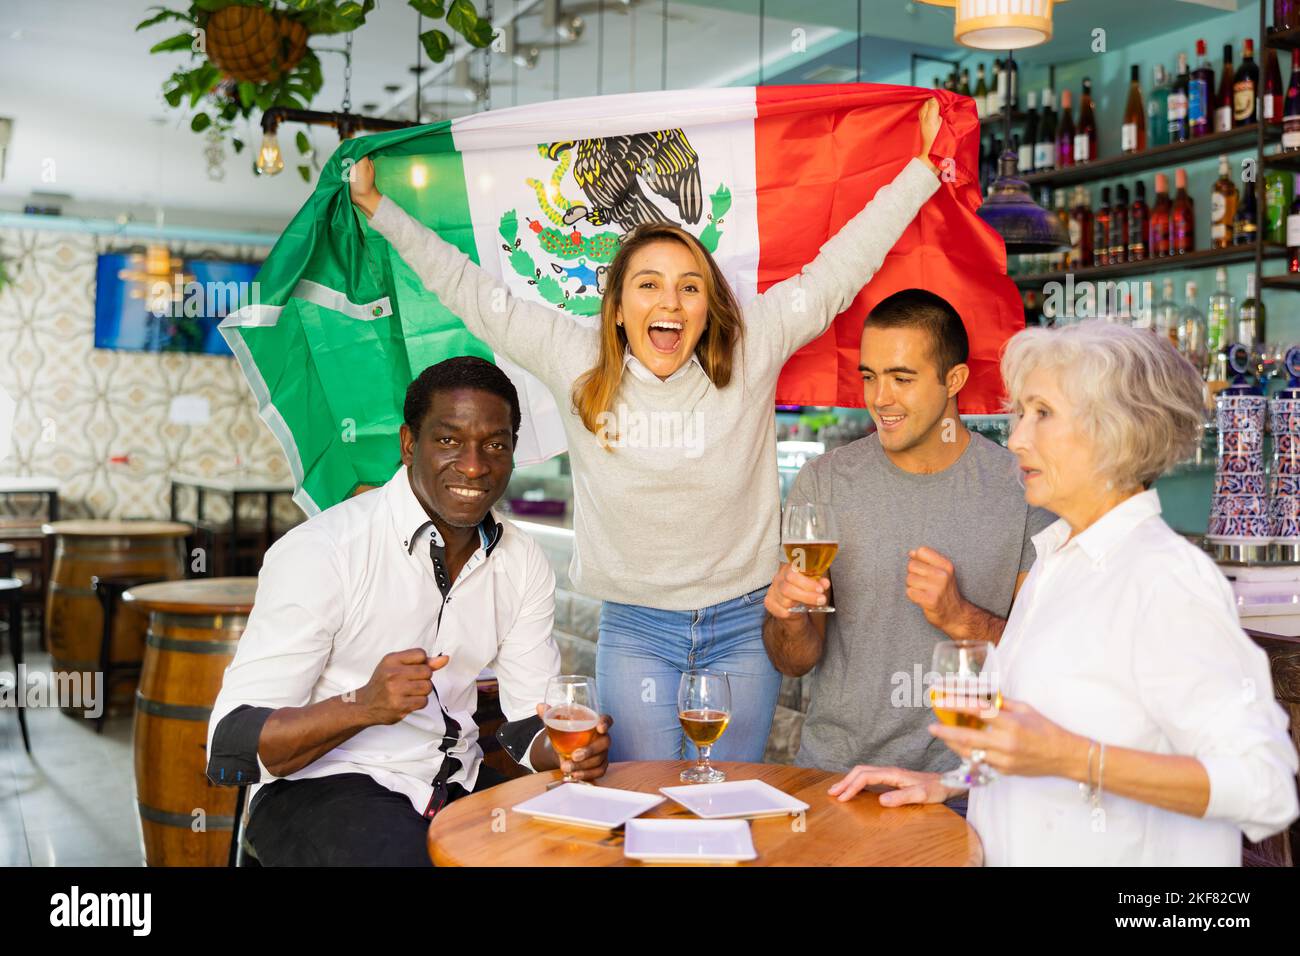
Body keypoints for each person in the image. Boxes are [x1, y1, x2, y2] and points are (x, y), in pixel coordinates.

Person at [347, 100, 945, 762]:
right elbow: (472, 292)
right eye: (649, 285)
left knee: (724, 799)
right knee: (641, 800)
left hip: (744, 623)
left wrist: (922, 170)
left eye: (690, 288)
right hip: (636, 629)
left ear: (708, 306)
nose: (670, 302)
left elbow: (838, 272)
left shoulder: (750, 349)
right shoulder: (574, 359)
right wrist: (378, 207)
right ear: (618, 307)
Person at [830, 321, 1300, 865]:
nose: (1016, 438)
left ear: (1116, 432)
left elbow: (1264, 786)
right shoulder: (1056, 560)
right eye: (1020, 413)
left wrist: (1072, 757)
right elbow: (1040, 746)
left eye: (1043, 414)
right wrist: (951, 783)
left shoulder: (1164, 577)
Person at [206, 356, 612, 866]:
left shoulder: (521, 558)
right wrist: (363, 705)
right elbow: (233, 742)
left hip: (456, 784)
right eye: (448, 440)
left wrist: (569, 751)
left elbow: (529, 719)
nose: (473, 466)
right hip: (323, 787)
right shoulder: (324, 550)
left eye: (495, 445)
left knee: (588, 850)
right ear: (408, 444)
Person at [762, 289, 1054, 787]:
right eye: (870, 377)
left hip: (964, 785)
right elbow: (793, 662)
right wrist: (788, 618)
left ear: (954, 380)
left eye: (902, 378)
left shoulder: (1024, 489)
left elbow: (1045, 660)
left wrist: (960, 617)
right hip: (838, 777)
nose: (880, 398)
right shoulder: (824, 482)